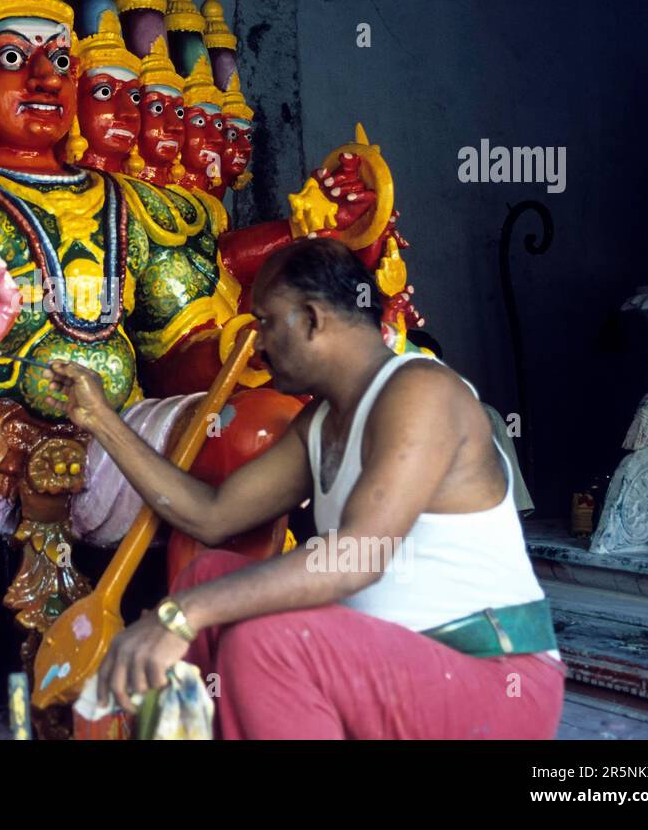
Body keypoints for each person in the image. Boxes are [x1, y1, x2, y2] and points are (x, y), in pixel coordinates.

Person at [43, 237, 564, 739]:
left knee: (262, 643)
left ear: (312, 319)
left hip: (487, 677)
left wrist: (181, 614)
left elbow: (358, 556)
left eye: (267, 322)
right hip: (384, 667)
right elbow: (210, 515)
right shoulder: (319, 420)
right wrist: (102, 421)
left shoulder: (421, 390)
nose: (258, 344)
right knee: (211, 572)